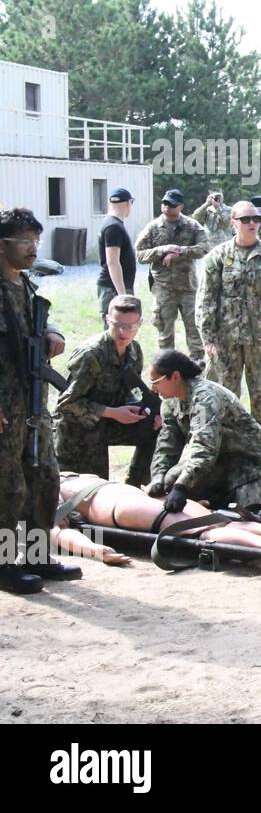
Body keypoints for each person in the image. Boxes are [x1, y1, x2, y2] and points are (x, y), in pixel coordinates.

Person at [0, 207, 78, 594]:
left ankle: (35, 555)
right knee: (7, 486)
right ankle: (4, 564)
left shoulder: (27, 284)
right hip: (4, 407)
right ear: (3, 245)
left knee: (44, 478)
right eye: (25, 241)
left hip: (32, 402)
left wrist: (54, 334)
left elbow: (42, 320)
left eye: (36, 240)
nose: (33, 249)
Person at [146, 350, 261, 518]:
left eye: (156, 382)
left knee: (255, 516)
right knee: (170, 481)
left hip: (250, 466)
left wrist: (181, 487)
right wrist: (158, 478)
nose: (153, 388)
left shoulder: (205, 398)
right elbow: (167, 445)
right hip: (219, 463)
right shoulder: (170, 403)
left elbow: (204, 448)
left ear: (175, 377)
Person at [52, 471, 261, 566]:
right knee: (216, 520)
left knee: (203, 532)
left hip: (122, 508)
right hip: (146, 498)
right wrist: (96, 548)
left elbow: (58, 532)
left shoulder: (50, 486)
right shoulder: (73, 475)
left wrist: (95, 550)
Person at [197, 200, 261, 437]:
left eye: (256, 219)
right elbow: (206, 299)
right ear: (233, 223)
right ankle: (230, 445)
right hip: (226, 339)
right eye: (246, 219)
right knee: (225, 394)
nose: (252, 224)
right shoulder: (217, 257)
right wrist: (207, 338)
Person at [53, 295, 161, 487]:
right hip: (78, 431)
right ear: (106, 319)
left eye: (130, 326)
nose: (123, 332)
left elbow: (128, 392)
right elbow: (66, 404)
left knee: (155, 426)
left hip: (108, 422)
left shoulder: (134, 351)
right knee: (91, 491)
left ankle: (135, 485)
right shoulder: (91, 354)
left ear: (140, 323)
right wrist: (112, 413)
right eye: (117, 324)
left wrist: (141, 410)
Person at [135, 188, 211, 359]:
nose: (167, 207)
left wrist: (180, 252)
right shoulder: (153, 227)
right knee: (165, 334)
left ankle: (197, 366)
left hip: (188, 287)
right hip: (163, 288)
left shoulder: (191, 226)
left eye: (172, 205)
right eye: (165, 203)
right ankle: (167, 368)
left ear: (181, 206)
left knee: (194, 330)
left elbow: (205, 247)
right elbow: (139, 254)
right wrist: (162, 250)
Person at [96, 187, 137, 326]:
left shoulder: (113, 224)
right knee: (116, 332)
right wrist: (122, 295)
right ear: (128, 203)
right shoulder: (113, 226)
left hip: (115, 287)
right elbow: (112, 262)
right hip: (113, 289)